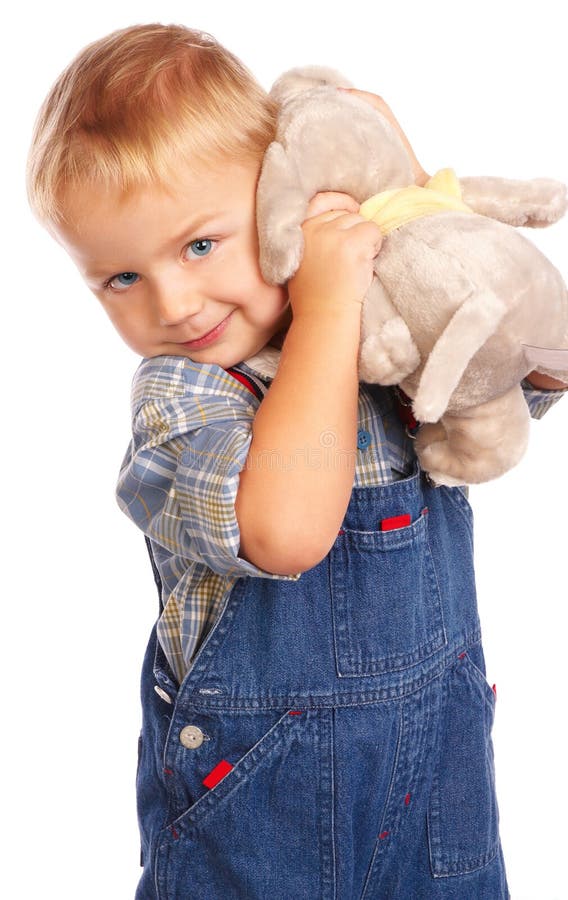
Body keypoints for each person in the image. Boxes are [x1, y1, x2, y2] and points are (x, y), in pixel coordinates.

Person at [27, 22, 566, 900]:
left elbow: (536, 371)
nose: (173, 301)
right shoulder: (183, 397)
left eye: (201, 245)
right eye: (119, 279)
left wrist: (411, 216)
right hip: (257, 818)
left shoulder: (378, 333)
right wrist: (324, 313)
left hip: (438, 791)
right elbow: (283, 532)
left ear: (277, 203)